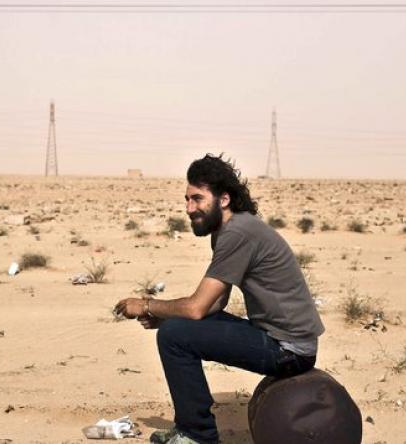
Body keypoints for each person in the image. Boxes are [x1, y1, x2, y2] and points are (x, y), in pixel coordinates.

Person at [114, 154, 324, 444]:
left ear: (224, 199)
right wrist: (167, 316)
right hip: (280, 338)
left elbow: (198, 307)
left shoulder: (238, 232)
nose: (189, 208)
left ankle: (197, 435)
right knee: (175, 328)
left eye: (197, 199)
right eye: (187, 200)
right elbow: (215, 304)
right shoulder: (229, 230)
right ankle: (191, 429)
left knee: (175, 335)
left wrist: (148, 305)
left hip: (289, 349)